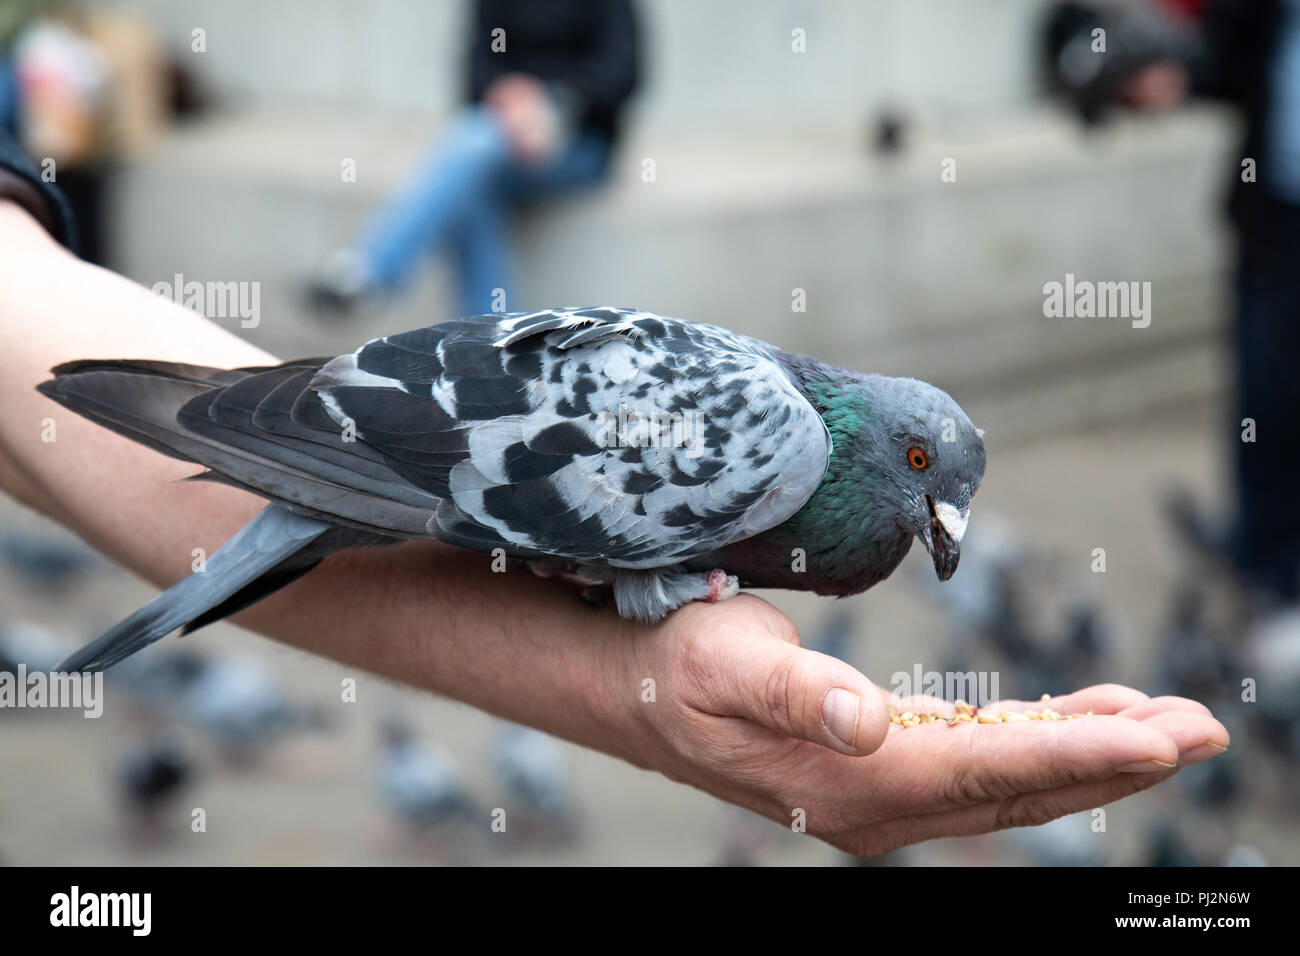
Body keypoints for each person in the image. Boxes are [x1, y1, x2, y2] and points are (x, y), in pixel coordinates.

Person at [0, 129, 1227, 858]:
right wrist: (647, 640)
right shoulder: (780, 439)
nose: (933, 519)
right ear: (884, 441)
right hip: (407, 447)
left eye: (943, 497)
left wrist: (642, 677)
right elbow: (485, 496)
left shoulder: (808, 458)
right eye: (919, 474)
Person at [1116, 0, 1300, 604]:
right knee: (1265, 396)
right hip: (1276, 214)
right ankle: (1263, 569)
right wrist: (1176, 73)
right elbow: (1237, 54)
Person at [309, 0, 640, 319]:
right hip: (498, 140)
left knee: (469, 155)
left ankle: (370, 273)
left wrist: (553, 105)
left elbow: (624, 71)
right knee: (470, 177)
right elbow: (475, 71)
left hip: (579, 147)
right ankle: (495, 347)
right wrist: (510, 100)